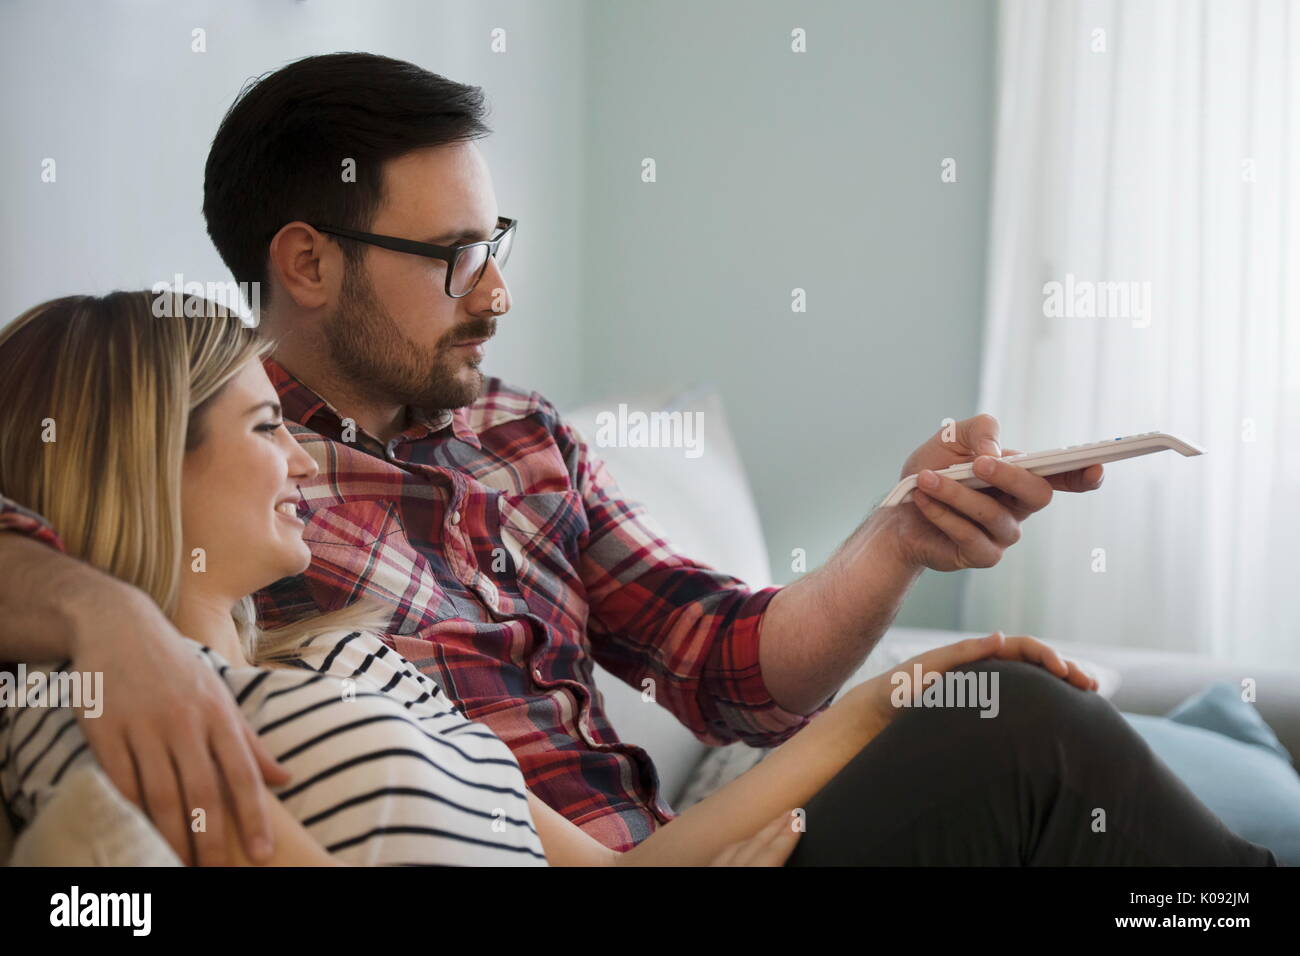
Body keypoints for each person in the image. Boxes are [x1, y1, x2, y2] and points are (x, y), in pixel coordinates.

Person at [0, 54, 1275, 866]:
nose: (496, 288)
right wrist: (102, 612)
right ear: (308, 262)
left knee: (1016, 717)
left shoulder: (519, 435)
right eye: (452, 255)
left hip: (671, 843)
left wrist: (896, 540)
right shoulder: (219, 476)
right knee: (1025, 732)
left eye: (495, 237)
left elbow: (725, 667)